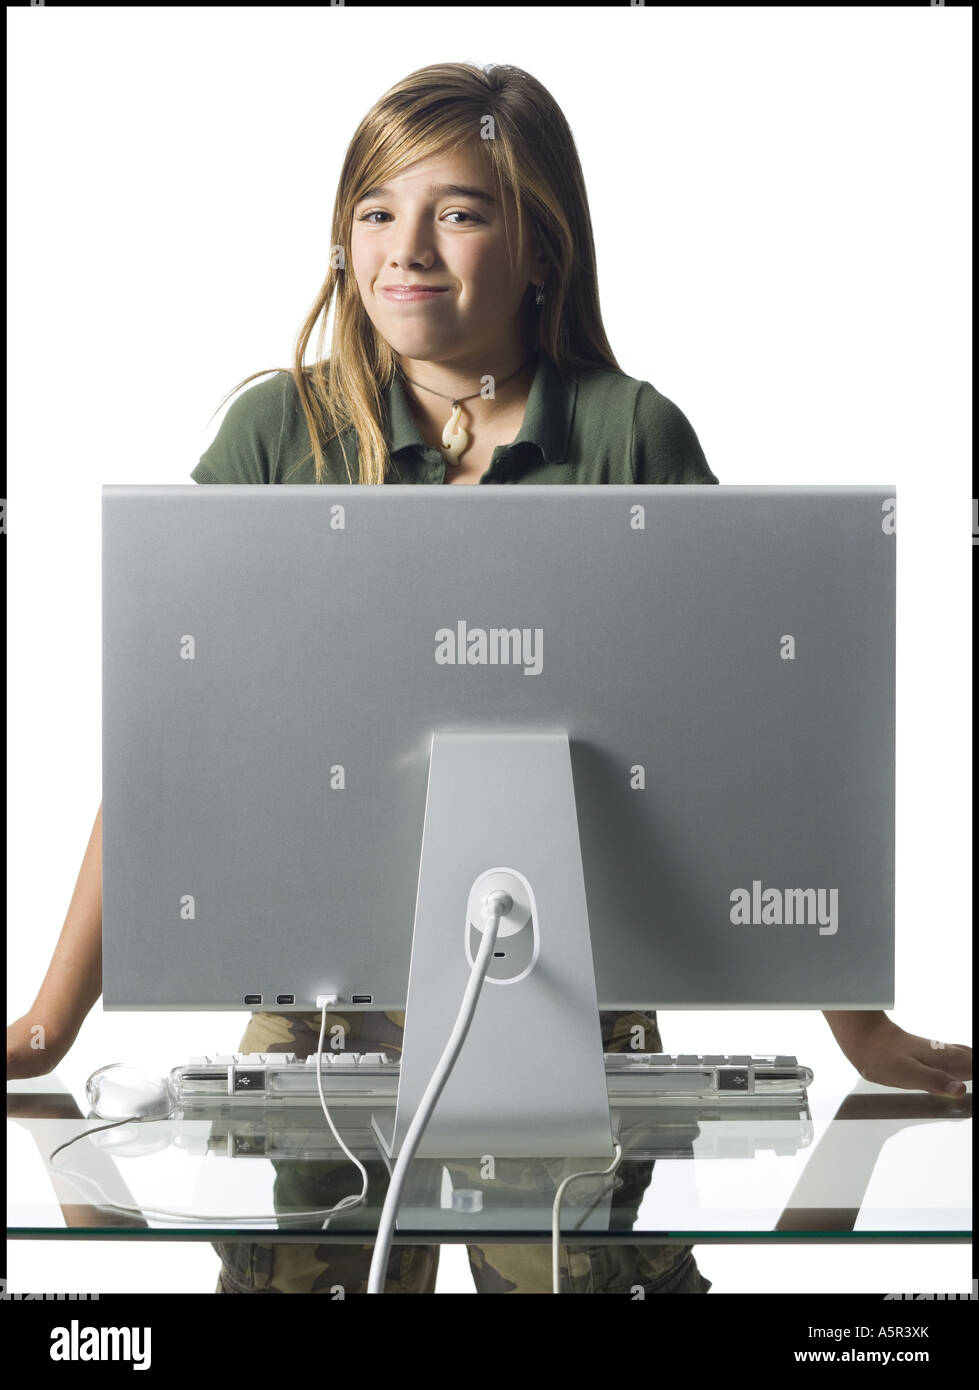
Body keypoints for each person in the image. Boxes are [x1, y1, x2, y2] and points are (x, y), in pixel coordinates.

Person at [8, 62, 971, 1295]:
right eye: (375, 211)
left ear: (539, 248)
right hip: (318, 1027)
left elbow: (757, 753)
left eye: (457, 211)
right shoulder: (275, 435)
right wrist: (52, 1019)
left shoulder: (631, 435)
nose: (405, 248)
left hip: (572, 1013)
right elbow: (163, 764)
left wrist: (861, 1030)